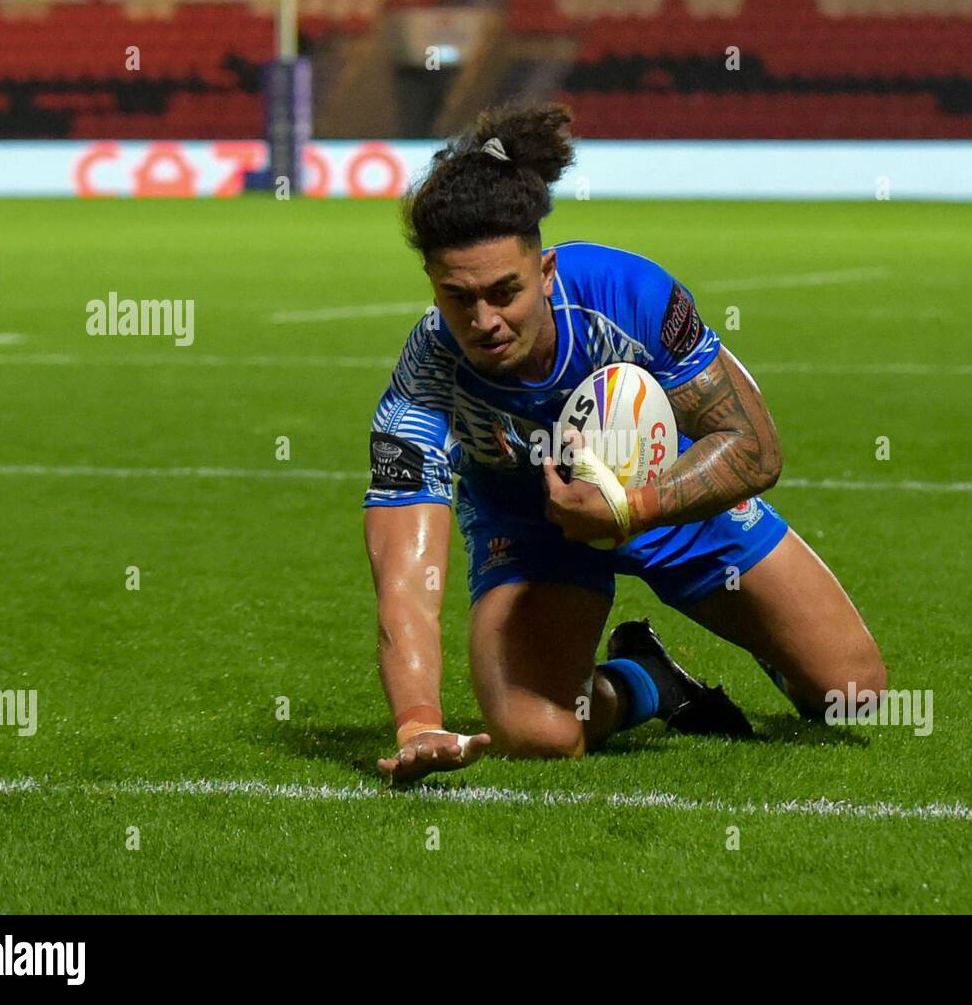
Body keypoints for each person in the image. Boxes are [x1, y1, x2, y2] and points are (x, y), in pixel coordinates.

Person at [364, 102, 886, 783]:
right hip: (533, 530)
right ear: (433, 286)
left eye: (504, 291)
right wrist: (418, 721)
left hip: (668, 497)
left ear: (546, 271)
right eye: (459, 297)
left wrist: (632, 509)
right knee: (539, 736)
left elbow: (755, 448)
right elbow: (405, 572)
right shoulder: (425, 378)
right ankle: (646, 680)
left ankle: (774, 643)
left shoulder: (628, 297)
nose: (485, 320)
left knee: (855, 697)